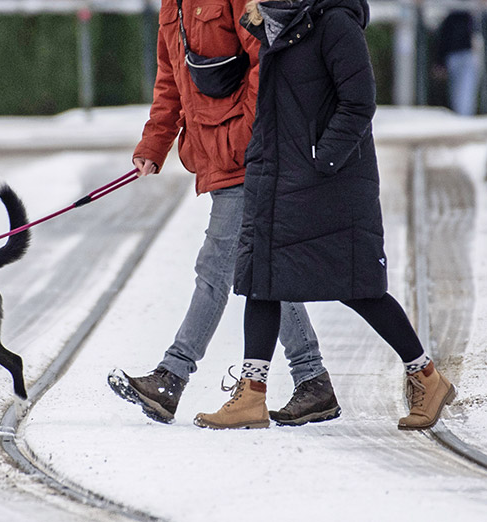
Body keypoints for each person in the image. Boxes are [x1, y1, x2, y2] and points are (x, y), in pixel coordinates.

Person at [193, 0, 455, 431]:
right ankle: (252, 395)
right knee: (261, 278)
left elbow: (359, 102)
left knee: (357, 285)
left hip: (328, 181)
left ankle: (426, 376)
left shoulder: (334, 23)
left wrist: (322, 158)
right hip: (278, 173)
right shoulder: (277, 24)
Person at [107, 0, 340, 428]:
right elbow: (170, 79)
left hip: (245, 154)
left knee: (216, 266)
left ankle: (172, 377)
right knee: (261, 269)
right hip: (215, 154)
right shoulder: (171, 5)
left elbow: (265, 61)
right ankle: (313, 378)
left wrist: (245, 136)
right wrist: (154, 145)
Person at [435, 2, 479, 115]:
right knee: (458, 95)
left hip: (465, 55)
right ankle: (461, 119)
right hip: (454, 56)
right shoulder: (451, 18)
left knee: (464, 95)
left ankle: (464, 120)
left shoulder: (465, 15)